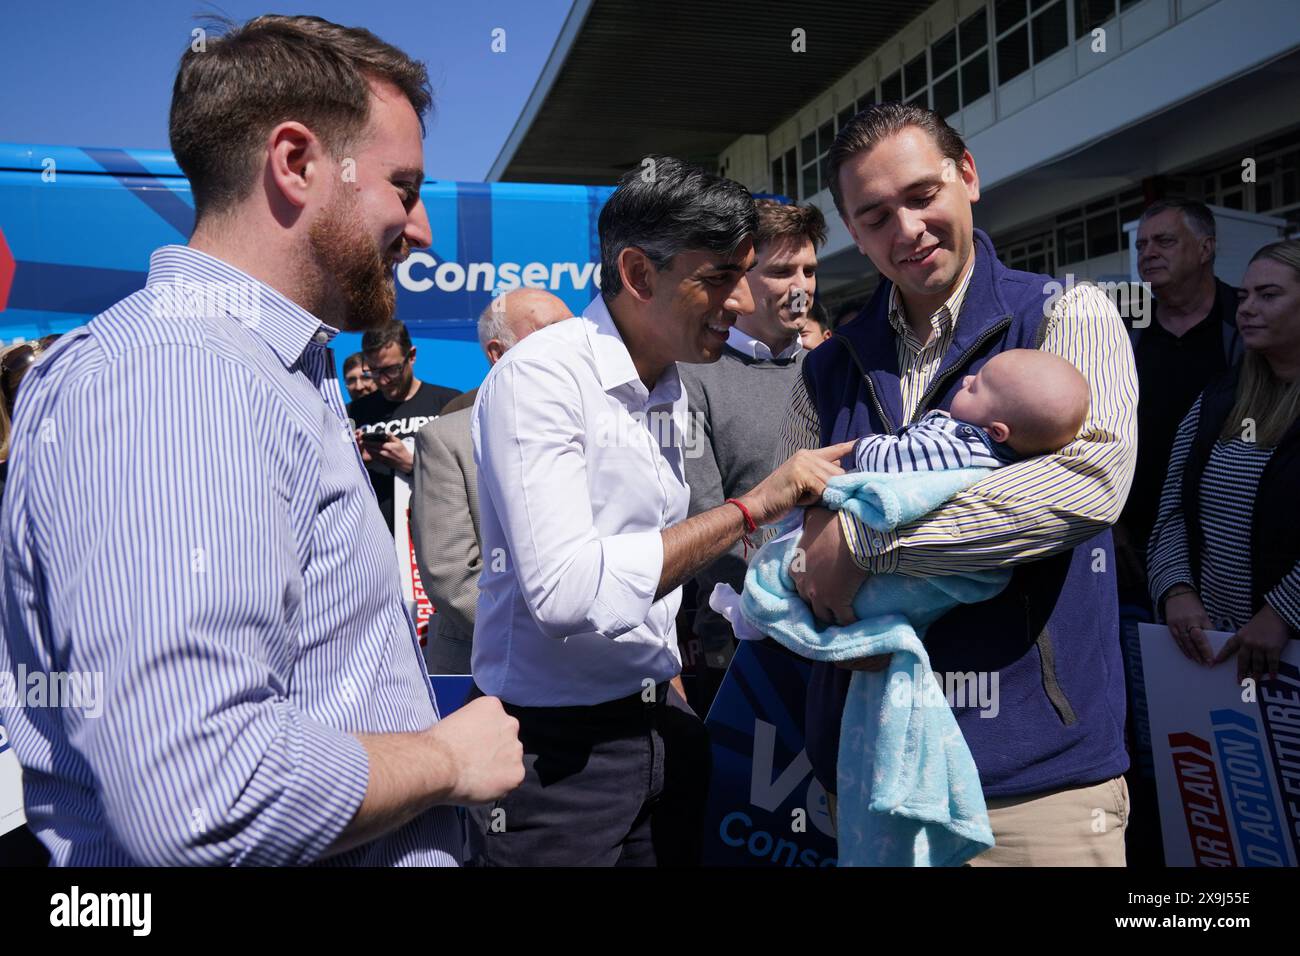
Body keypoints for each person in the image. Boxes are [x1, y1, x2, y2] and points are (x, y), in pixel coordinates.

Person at [0, 14, 522, 867]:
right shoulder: (179, 380)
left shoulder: (255, 370)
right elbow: (199, 790)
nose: (422, 229)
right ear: (297, 163)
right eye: (405, 186)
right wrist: (447, 760)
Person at [467, 156, 854, 866]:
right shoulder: (541, 378)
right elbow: (566, 593)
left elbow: (648, 561)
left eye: (746, 275)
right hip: (557, 760)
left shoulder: (671, 383)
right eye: (717, 279)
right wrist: (752, 507)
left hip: (664, 726)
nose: (740, 302)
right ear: (640, 275)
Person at [783, 102, 1138, 866]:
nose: (906, 230)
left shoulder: (1062, 315)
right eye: (874, 216)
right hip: (870, 775)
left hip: (1034, 783)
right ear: (851, 228)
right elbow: (795, 529)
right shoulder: (828, 362)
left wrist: (871, 539)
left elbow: (1086, 487)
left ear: (967, 176)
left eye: (921, 196)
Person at [1116, 198, 1244, 866]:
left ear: (1206, 245)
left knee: (1243, 740)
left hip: (1243, 574)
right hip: (1142, 566)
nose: (1149, 256)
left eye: (1164, 241)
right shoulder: (1125, 336)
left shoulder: (1245, 326)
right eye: (1142, 247)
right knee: (1156, 735)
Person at [679, 198, 824, 697]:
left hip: (842, 634)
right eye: (782, 271)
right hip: (741, 645)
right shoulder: (690, 378)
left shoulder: (837, 370)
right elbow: (700, 523)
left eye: (809, 270)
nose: (801, 287)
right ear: (738, 277)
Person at [1147, 239, 1300, 688]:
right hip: (1215, 654)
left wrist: (1282, 613)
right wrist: (1177, 591)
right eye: (1245, 295)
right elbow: (1173, 509)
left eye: (1269, 295)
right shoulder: (1219, 398)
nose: (1247, 308)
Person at [411, 288, 571, 674]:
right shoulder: (447, 440)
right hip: (489, 670)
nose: (572, 345)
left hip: (593, 675)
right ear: (498, 353)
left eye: (576, 331)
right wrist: (559, 638)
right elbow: (454, 580)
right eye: (552, 333)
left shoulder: (604, 428)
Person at [850, 348, 1089, 473]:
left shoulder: (961, 446)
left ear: (996, 432)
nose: (966, 380)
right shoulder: (979, 447)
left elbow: (893, 459)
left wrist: (861, 447)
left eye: (975, 387)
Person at [349, 319, 458, 535]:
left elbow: (470, 475)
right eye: (374, 371)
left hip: (438, 536)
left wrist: (412, 463)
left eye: (392, 369)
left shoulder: (450, 402)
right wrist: (354, 461)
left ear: (412, 356)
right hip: (375, 539)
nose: (384, 380)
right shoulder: (353, 412)